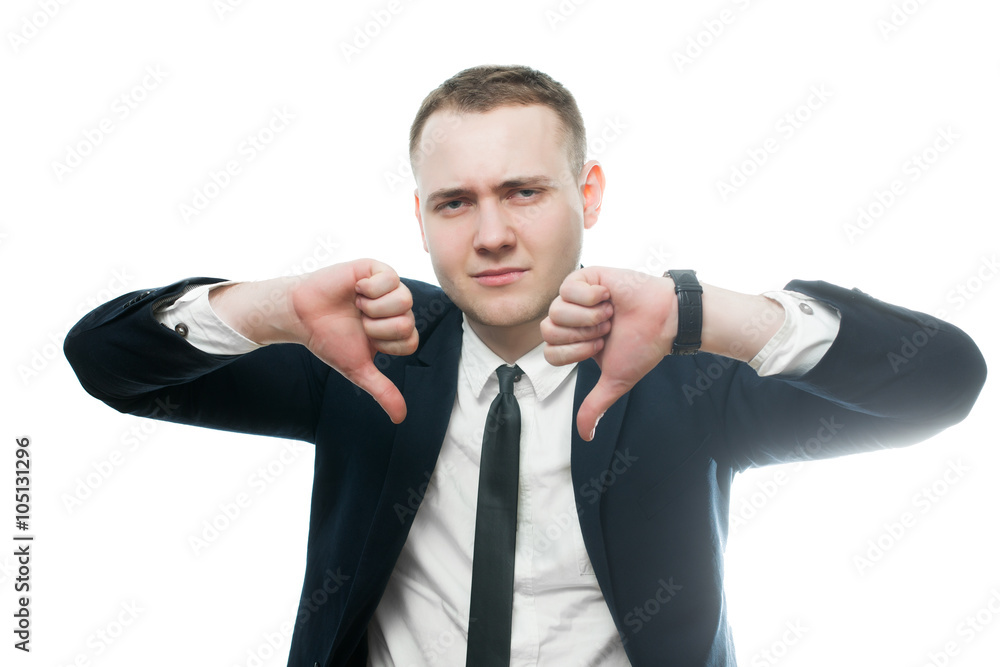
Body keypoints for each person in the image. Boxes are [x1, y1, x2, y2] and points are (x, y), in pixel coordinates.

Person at [65, 65, 987, 667]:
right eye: (456, 201)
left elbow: (944, 381)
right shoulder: (360, 351)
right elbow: (106, 362)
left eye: (524, 191)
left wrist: (708, 313)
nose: (494, 232)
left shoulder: (684, 366)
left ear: (587, 193)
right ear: (420, 216)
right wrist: (267, 308)